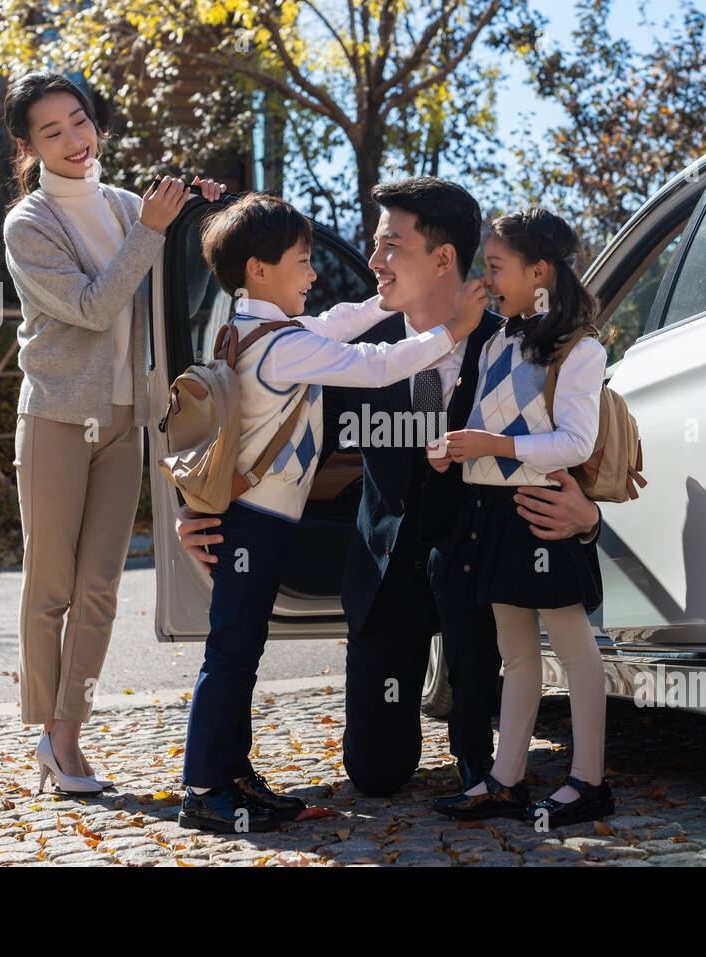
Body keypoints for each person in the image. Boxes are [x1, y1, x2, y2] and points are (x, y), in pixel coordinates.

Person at [177, 179, 605, 801]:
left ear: (443, 258)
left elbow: (587, 442)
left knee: (483, 700)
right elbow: (236, 412)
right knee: (375, 774)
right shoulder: (344, 348)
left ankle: (490, 761)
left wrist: (586, 514)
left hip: (481, 564)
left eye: (389, 246)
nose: (372, 261)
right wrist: (199, 505)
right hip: (386, 570)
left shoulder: (517, 340)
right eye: (374, 247)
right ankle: (226, 774)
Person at [176, 192, 485, 833]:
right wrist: (450, 332)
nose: (315, 273)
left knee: (240, 648)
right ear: (260, 270)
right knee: (232, 653)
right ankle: (205, 786)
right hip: (257, 521)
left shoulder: (260, 330)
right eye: (302, 260)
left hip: (265, 519)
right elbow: (372, 364)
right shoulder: (283, 345)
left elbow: (341, 323)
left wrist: (384, 302)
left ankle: (232, 774)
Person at [1, 70, 226, 795]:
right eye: (52, 131)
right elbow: (96, 308)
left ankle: (68, 736)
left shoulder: (130, 205)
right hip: (58, 417)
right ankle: (45, 725)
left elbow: (172, 286)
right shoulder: (29, 224)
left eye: (79, 121)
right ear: (30, 146)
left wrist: (195, 218)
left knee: (99, 587)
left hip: (127, 418)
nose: (73, 139)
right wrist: (153, 231)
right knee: (51, 585)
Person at [430, 206, 617, 826]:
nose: (486, 279)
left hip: (541, 512)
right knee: (515, 653)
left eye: (496, 266)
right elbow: (492, 424)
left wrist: (494, 447)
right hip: (495, 511)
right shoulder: (499, 338)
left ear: (539, 271)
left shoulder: (580, 347)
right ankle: (506, 779)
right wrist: (457, 450)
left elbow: (576, 443)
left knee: (572, 646)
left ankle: (589, 781)